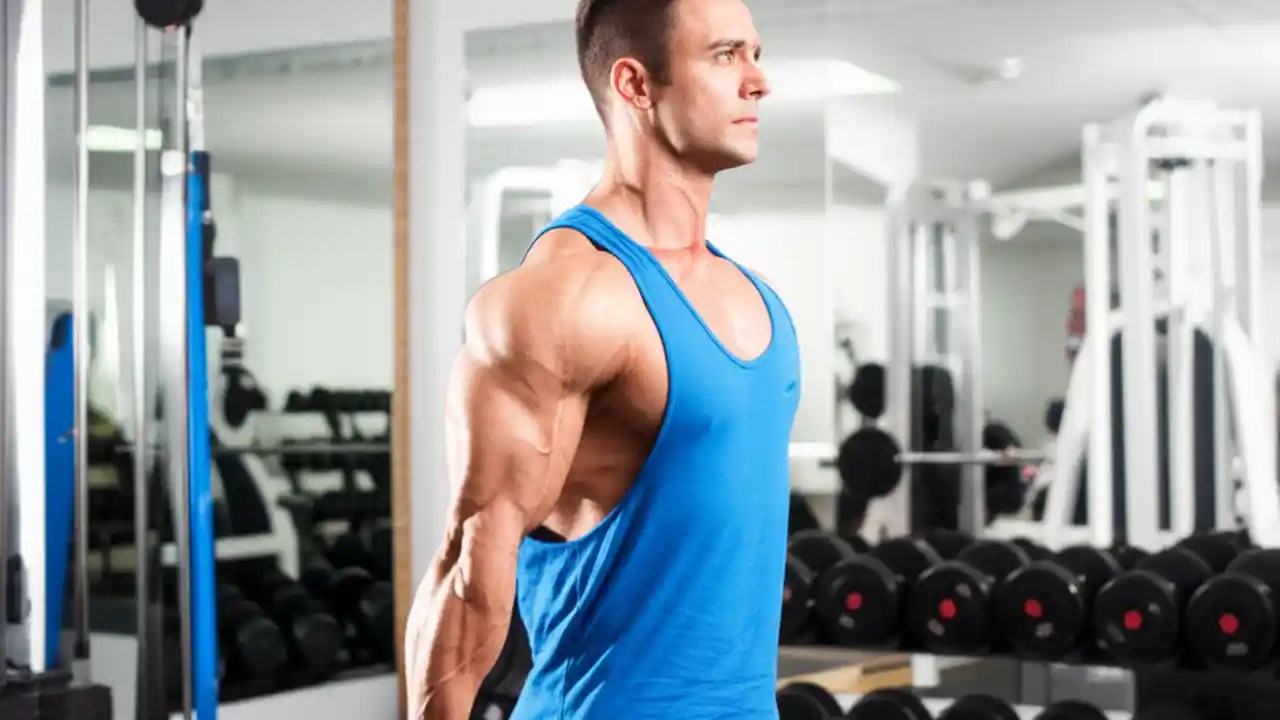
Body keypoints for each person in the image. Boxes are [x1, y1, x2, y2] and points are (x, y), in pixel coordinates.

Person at [405, 0, 800, 717]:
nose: (758, 82)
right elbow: (467, 576)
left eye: (756, 53)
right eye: (724, 55)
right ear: (635, 85)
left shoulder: (758, 301)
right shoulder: (561, 301)